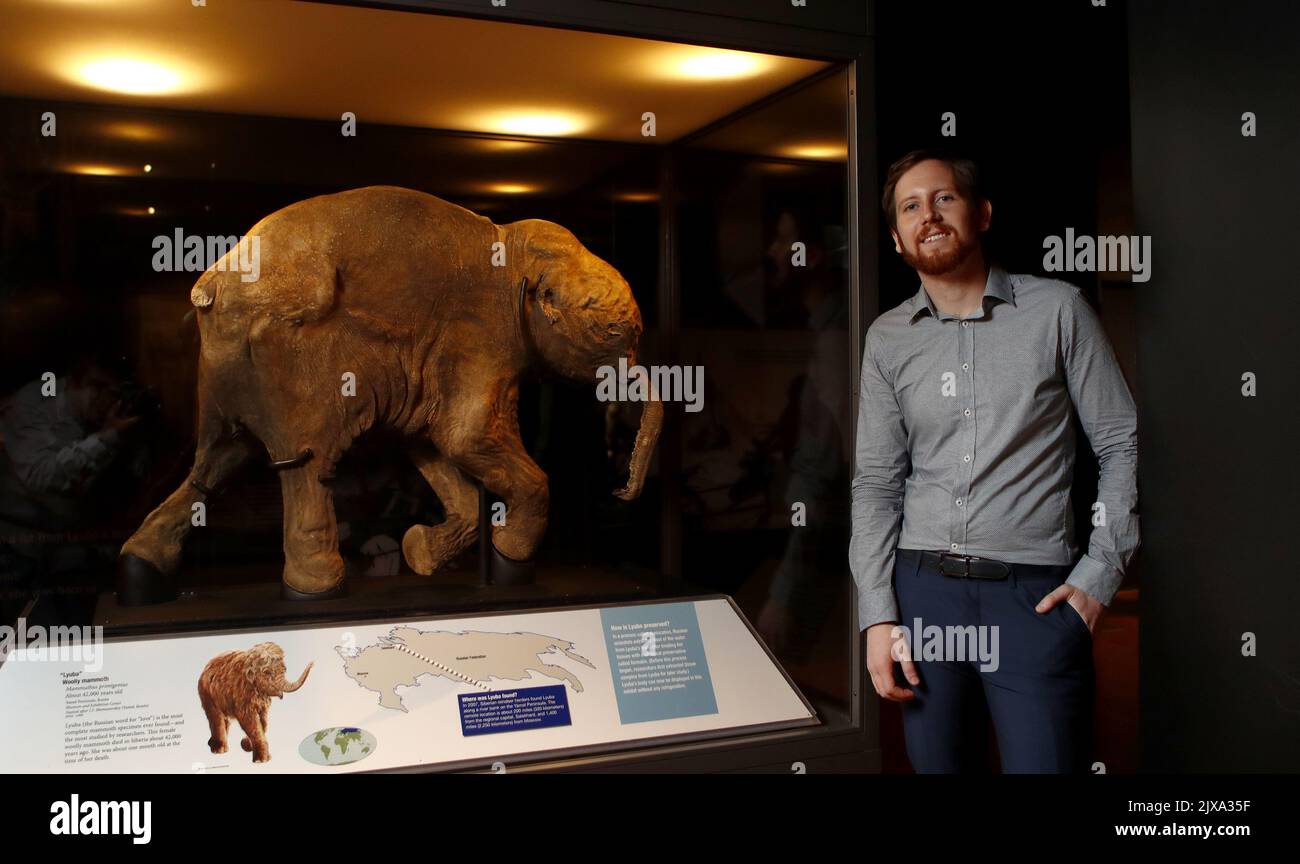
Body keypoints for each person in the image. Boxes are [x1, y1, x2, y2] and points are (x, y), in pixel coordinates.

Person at [850, 149, 1139, 772]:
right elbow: (875, 483)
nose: (927, 214)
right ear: (898, 240)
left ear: (981, 214)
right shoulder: (887, 338)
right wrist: (877, 615)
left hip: (1034, 598)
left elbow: (1120, 441)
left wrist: (1098, 575)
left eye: (943, 198)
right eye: (910, 206)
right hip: (922, 595)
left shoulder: (1058, 310)